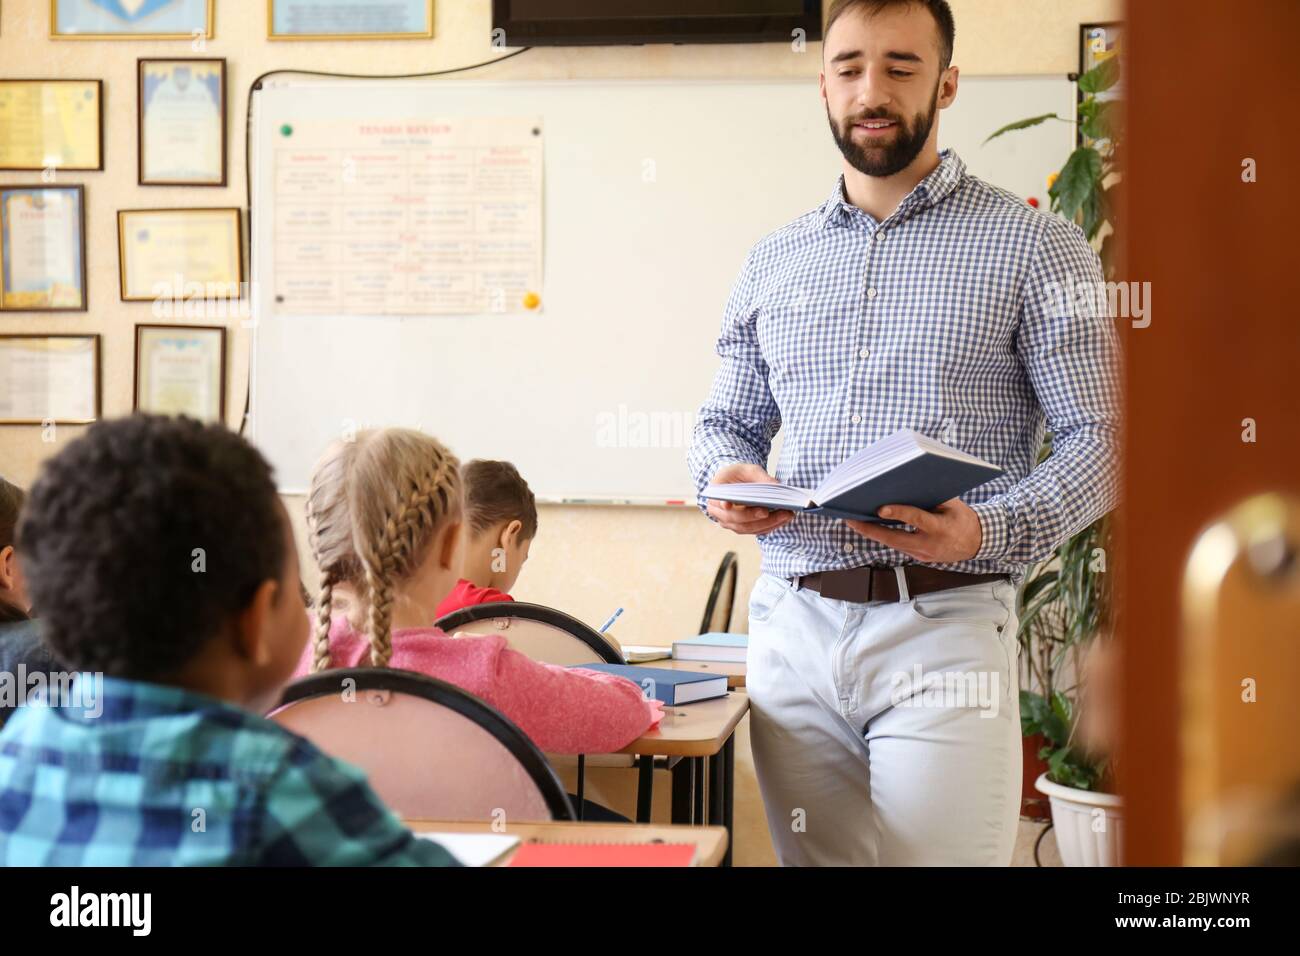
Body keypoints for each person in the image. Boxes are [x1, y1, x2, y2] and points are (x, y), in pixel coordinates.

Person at [687, 0, 1120, 865]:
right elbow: (725, 420)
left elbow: (1103, 437)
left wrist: (988, 528)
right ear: (823, 86)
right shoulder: (774, 259)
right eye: (849, 67)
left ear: (948, 83)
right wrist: (724, 476)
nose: (871, 90)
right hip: (793, 626)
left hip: (946, 621)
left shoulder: (1037, 245)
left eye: (900, 65)